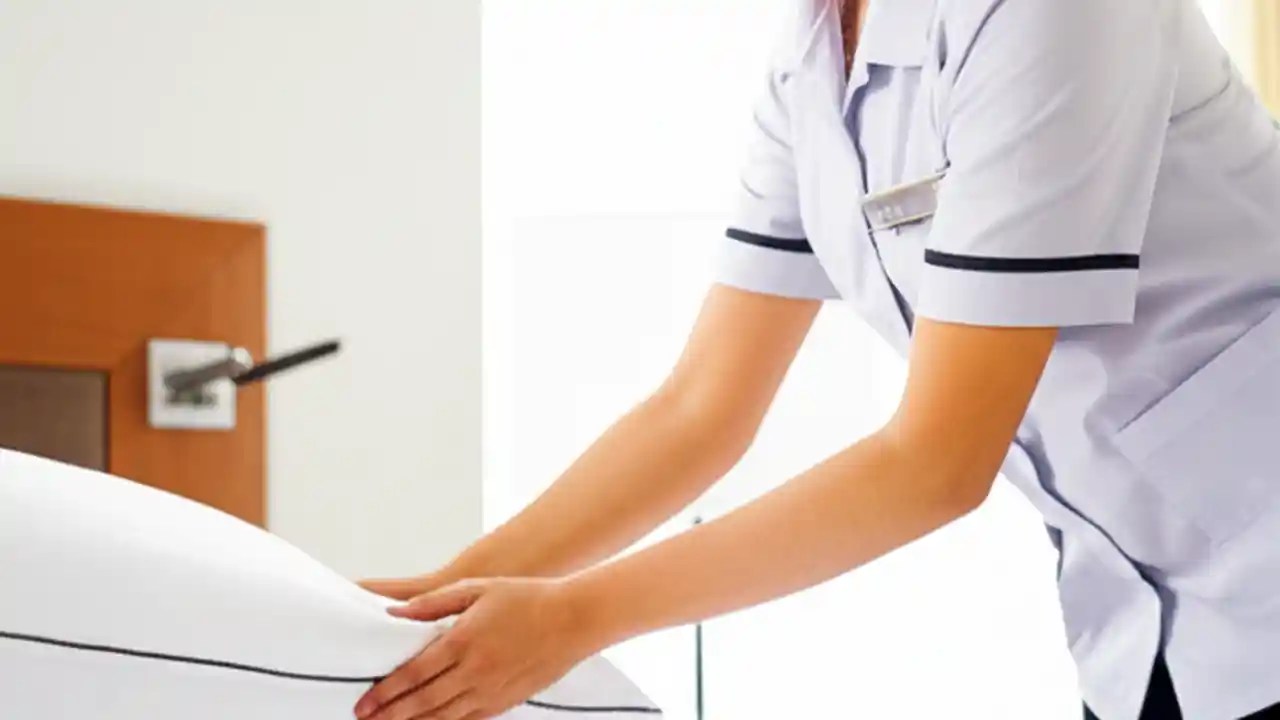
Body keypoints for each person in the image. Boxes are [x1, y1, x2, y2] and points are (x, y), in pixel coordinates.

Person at [356, 0, 1280, 718]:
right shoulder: (814, 60)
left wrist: (572, 619)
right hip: (1142, 611)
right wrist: (437, 605)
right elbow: (699, 410)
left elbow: (935, 462)